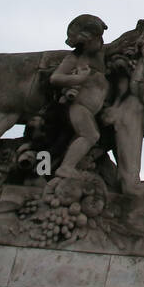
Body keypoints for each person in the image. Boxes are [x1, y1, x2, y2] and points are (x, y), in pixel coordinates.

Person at [50, 14, 110, 179]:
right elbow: (55, 78)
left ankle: (68, 165)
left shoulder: (100, 55)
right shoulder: (74, 59)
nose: (101, 43)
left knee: (92, 135)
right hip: (79, 107)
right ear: (85, 41)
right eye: (96, 39)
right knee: (90, 135)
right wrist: (78, 79)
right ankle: (66, 167)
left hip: (90, 110)